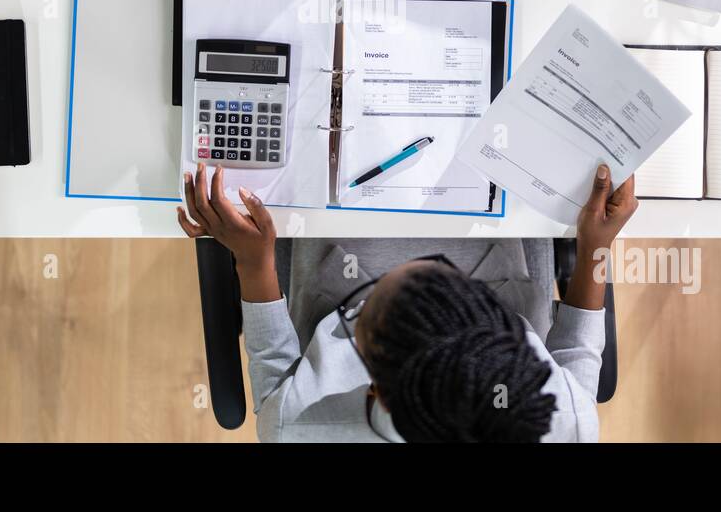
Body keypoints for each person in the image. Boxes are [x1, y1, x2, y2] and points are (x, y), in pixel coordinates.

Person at [177, 162, 638, 442]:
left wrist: (253, 262)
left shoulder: (299, 428)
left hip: (343, 276)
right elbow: (577, 348)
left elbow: (273, 360)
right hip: (496, 268)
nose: (427, 261)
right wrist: (596, 246)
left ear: (372, 392)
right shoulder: (562, 424)